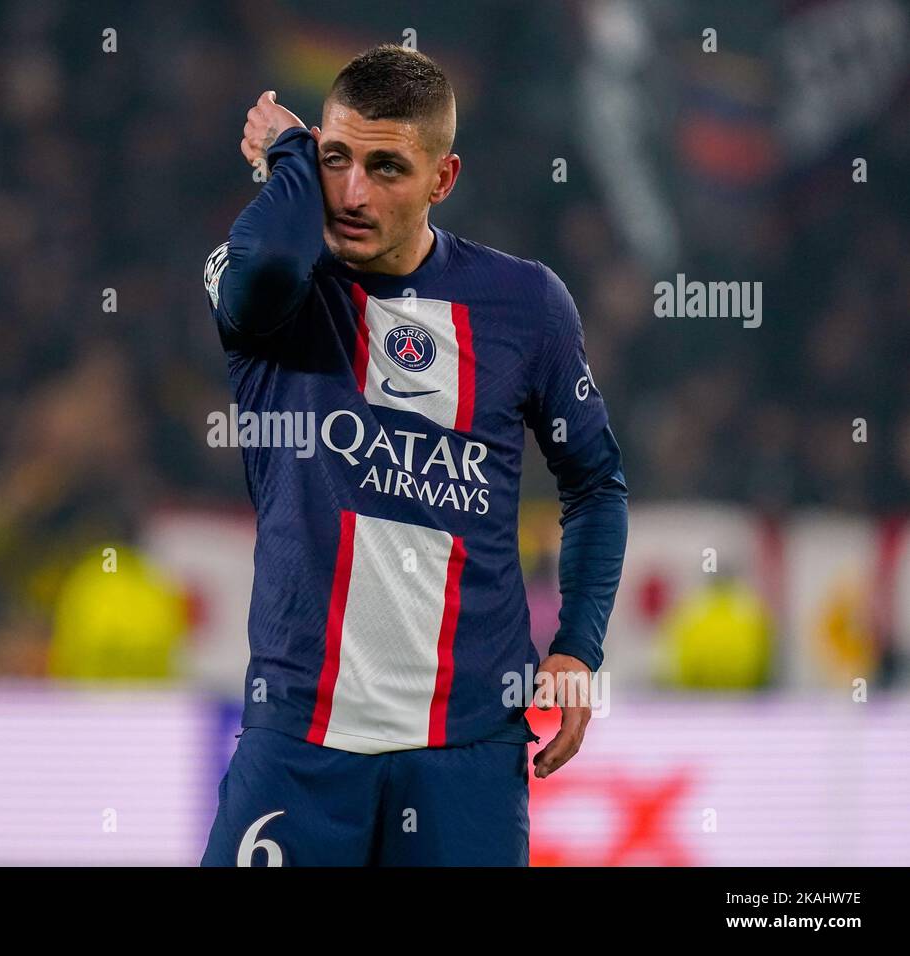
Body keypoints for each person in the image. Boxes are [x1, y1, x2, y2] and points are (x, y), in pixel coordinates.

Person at [200, 45, 628, 866]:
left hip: (464, 749)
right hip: (301, 736)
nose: (353, 194)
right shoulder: (282, 293)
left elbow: (595, 485)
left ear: (444, 178)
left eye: (387, 167)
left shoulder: (525, 306)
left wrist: (578, 648)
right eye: (337, 159)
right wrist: (290, 157)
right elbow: (270, 262)